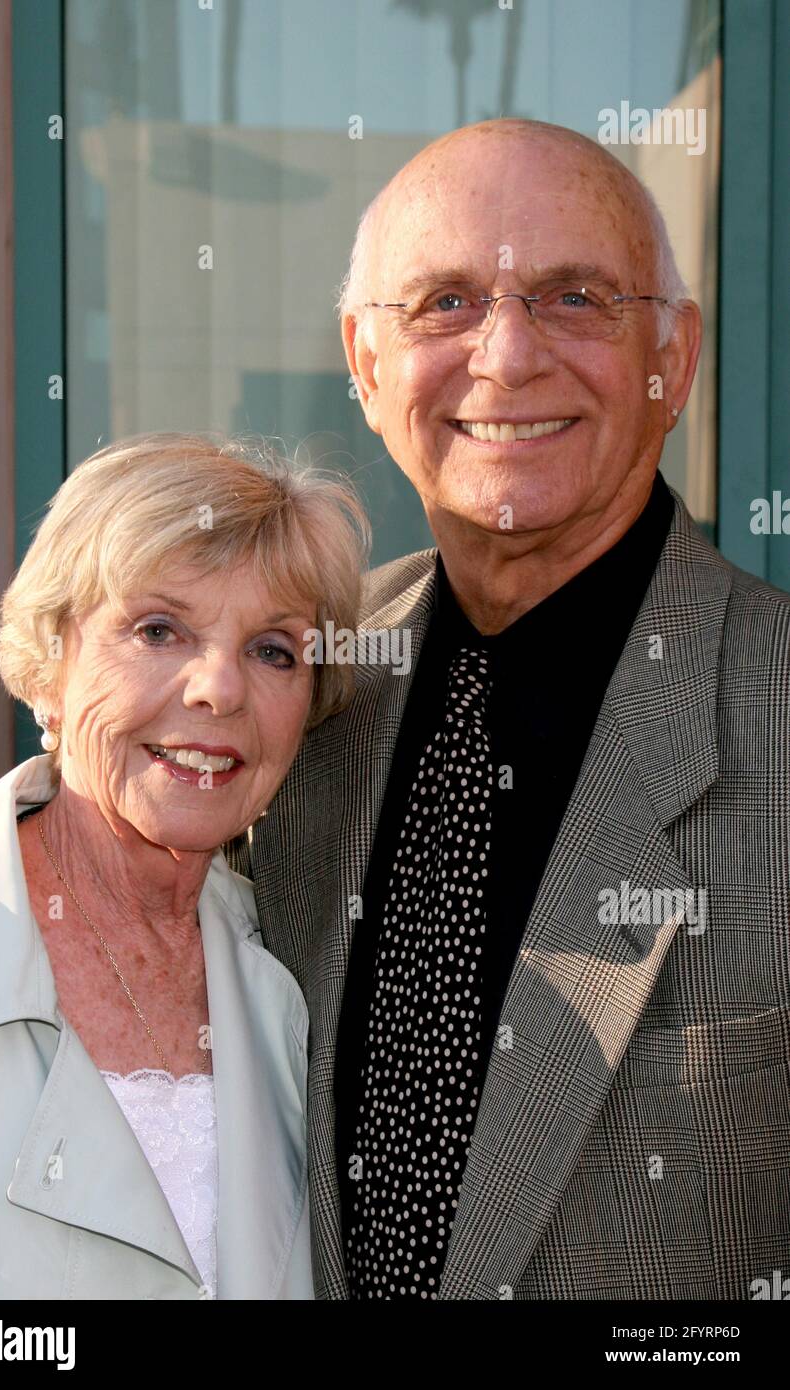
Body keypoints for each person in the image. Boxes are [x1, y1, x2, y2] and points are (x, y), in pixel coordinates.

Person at [228, 119, 790, 1300]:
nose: (504, 355)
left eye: (572, 296)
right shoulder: (289, 688)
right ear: (365, 366)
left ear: (671, 360)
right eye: (441, 303)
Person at [0, 432, 368, 1300]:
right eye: (159, 630)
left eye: (273, 650)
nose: (219, 689)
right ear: (50, 666)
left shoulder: (301, 956)